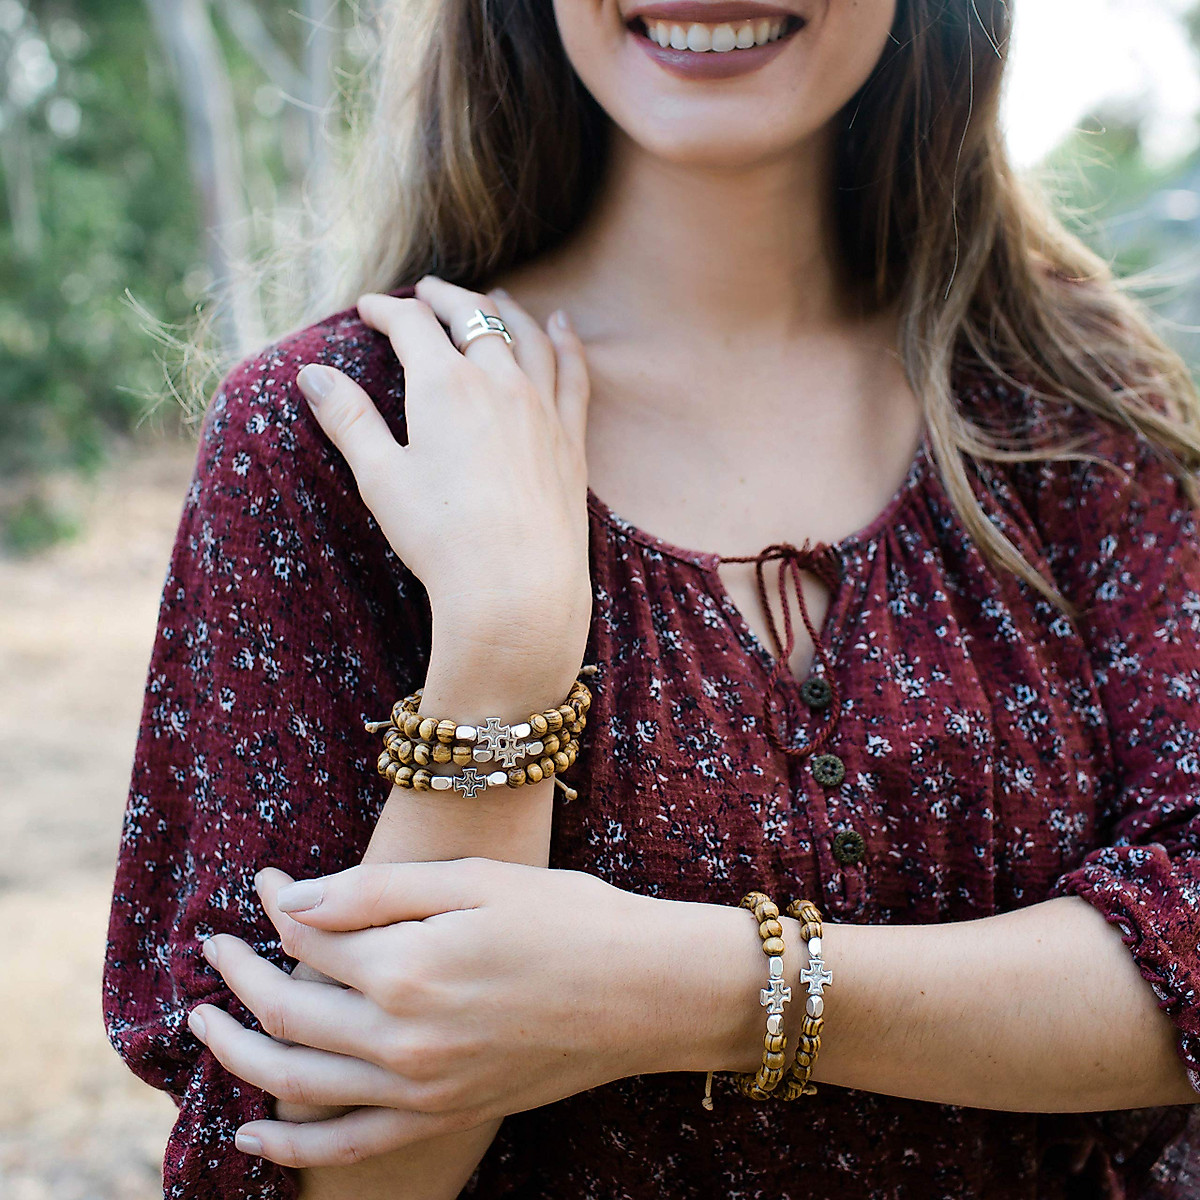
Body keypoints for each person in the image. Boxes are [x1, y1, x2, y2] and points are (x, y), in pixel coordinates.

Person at [103, 0, 1200, 1196]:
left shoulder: (1069, 397)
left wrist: (688, 988)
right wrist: (506, 652)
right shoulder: (338, 429)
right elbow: (305, 1173)